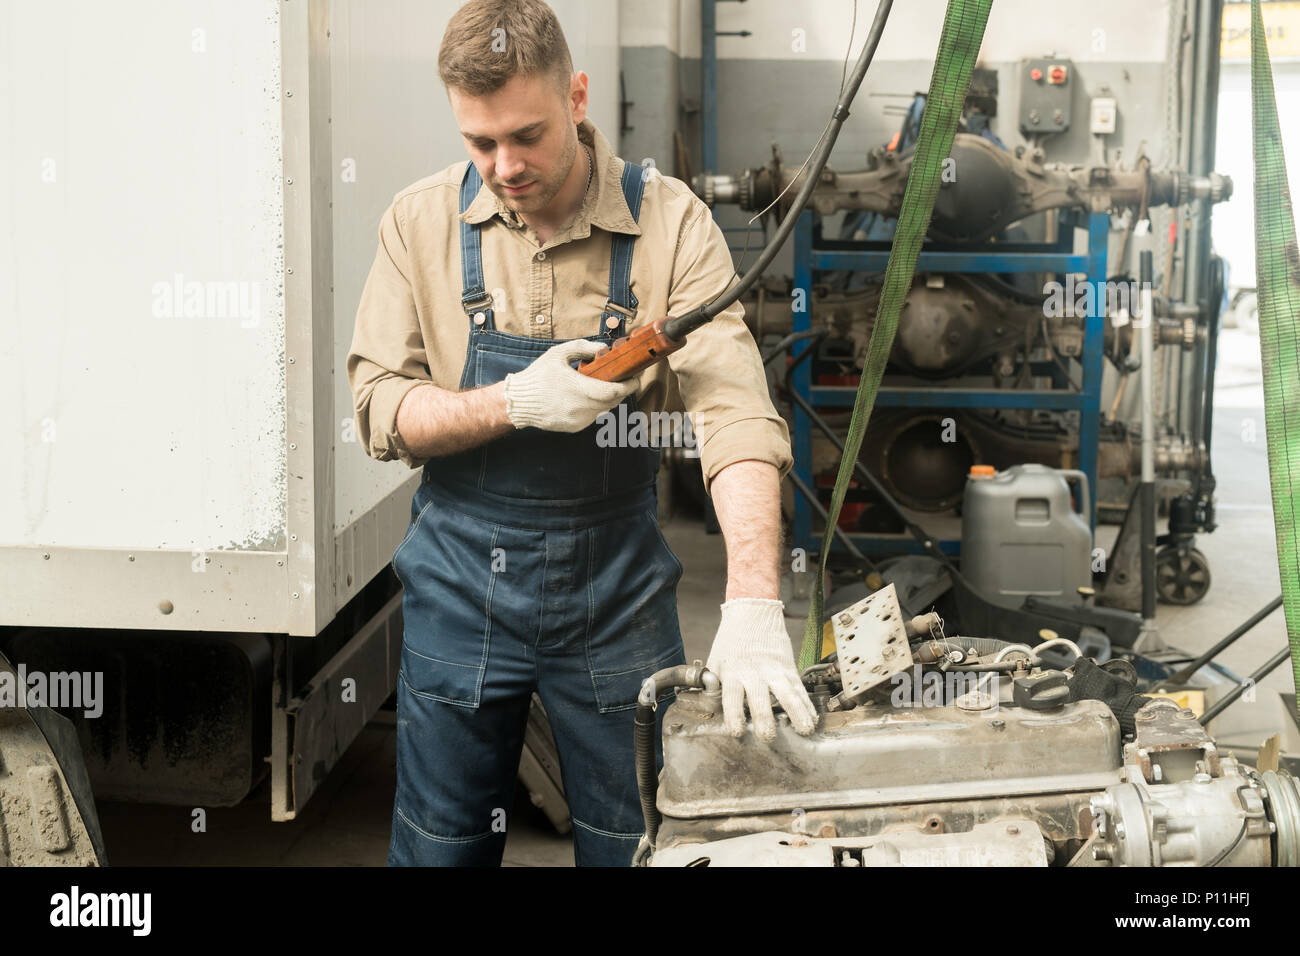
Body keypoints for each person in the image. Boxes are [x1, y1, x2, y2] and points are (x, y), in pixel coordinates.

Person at [346, 0, 816, 867]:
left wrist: (752, 600)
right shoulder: (419, 224)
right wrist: (512, 403)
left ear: (579, 96)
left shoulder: (672, 224)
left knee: (642, 839)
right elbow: (379, 406)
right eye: (480, 143)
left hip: (616, 585)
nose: (504, 166)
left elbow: (733, 409)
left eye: (526, 135)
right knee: (440, 846)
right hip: (458, 577)